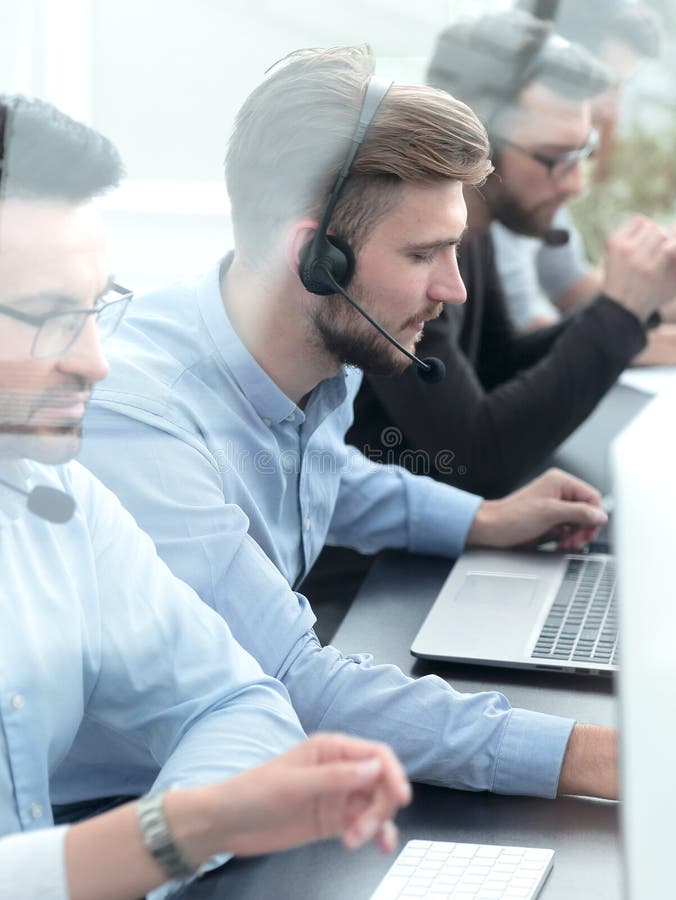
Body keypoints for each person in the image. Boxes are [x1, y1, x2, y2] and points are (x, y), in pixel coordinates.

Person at [80, 46, 617, 805]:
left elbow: (312, 470)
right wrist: (617, 760)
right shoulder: (139, 424)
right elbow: (297, 682)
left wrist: (482, 520)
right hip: (125, 820)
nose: (454, 290)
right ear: (316, 260)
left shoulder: (318, 355)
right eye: (425, 253)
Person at [0, 95, 409, 900]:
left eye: (94, 309)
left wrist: (174, 837)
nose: (95, 361)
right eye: (50, 320)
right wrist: (171, 834)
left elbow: (237, 701)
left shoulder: (59, 497)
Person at [347, 11, 676, 502]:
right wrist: (616, 318)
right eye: (553, 159)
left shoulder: (477, 233)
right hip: (381, 565)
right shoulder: (395, 250)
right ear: (475, 132)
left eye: (581, 153)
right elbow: (476, 458)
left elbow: (498, 364)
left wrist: (634, 312)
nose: (576, 183)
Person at [496, 1, 676, 339]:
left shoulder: (556, 167)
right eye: (605, 82)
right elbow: (526, 341)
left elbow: (574, 287)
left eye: (623, 86)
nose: (613, 108)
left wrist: (659, 288)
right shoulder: (509, 175)